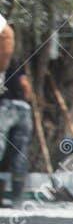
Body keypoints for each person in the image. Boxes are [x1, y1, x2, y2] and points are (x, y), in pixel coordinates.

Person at [0, 14, 34, 209]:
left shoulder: (5, 60)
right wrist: (26, 99)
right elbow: (25, 85)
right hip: (23, 108)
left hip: (5, 107)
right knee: (19, 155)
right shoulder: (19, 60)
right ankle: (18, 200)